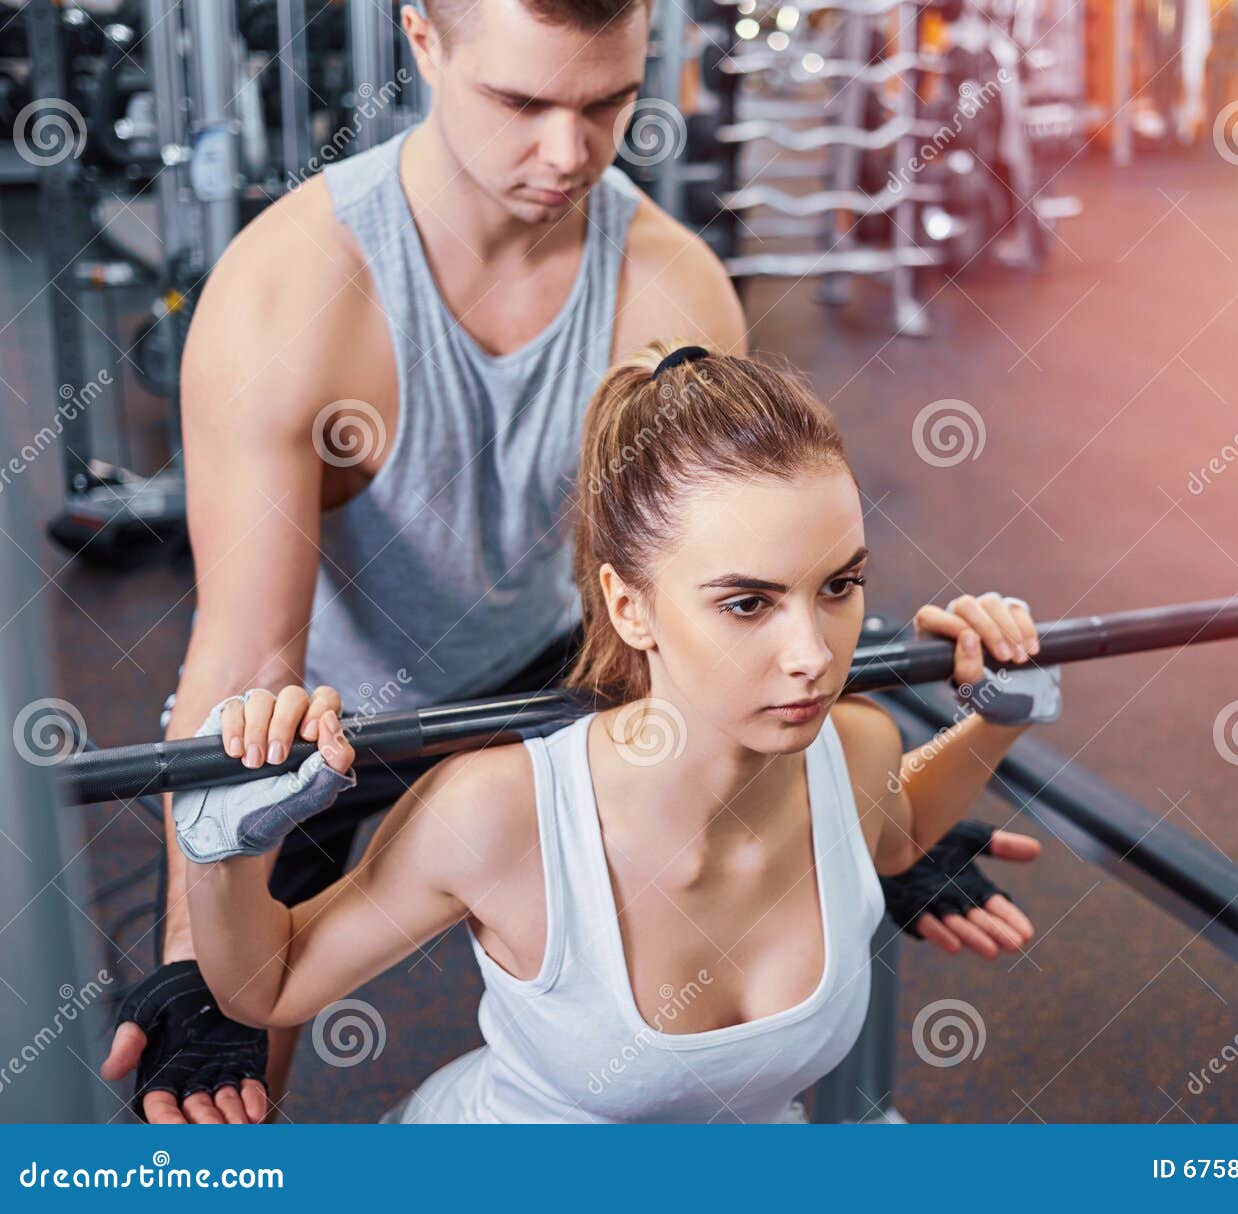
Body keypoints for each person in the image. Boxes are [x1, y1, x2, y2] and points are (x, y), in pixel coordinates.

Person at [101, 0, 1033, 1124]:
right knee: (228, 1077)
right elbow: (247, 649)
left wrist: (851, 826)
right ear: (424, 40)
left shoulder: (667, 285)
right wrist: (198, 965)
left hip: (561, 665)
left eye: (606, 104)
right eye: (522, 101)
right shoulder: (291, 289)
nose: (568, 152)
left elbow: (700, 589)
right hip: (323, 707)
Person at [173, 343, 1061, 1123]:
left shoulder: (857, 751)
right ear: (629, 606)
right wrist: (224, 851)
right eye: (747, 604)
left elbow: (897, 831)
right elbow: (267, 987)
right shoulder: (499, 813)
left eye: (838, 586)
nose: (814, 656)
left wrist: (997, 717)